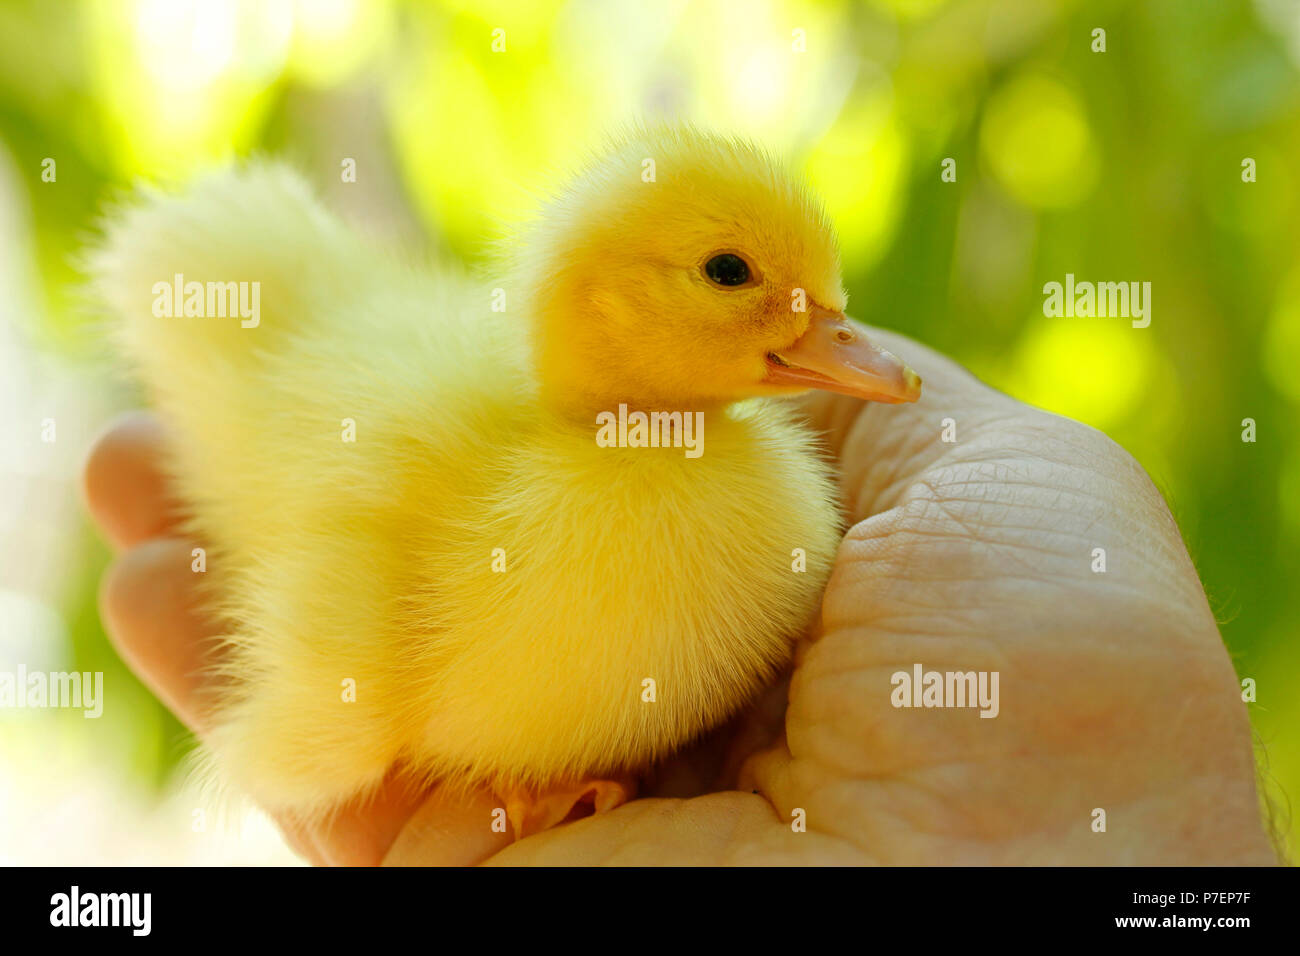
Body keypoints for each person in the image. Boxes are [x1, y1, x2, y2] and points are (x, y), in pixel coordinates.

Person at [82, 329, 1279, 865]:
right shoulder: (452, 486)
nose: (829, 336)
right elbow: (305, 709)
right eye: (737, 280)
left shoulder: (758, 480)